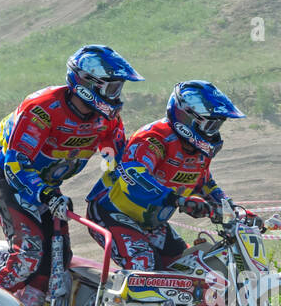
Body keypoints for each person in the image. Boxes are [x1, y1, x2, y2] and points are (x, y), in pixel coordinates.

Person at [0, 45, 143, 306]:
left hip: (50, 190)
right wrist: (44, 193)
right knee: (30, 254)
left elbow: (113, 160)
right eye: (113, 88)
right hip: (12, 181)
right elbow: (16, 163)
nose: (117, 96)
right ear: (87, 85)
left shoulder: (106, 119)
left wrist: (122, 188)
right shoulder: (43, 109)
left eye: (119, 88)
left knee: (57, 262)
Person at [86, 81, 255, 274]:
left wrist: (236, 212)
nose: (213, 132)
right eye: (210, 124)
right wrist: (178, 200)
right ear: (188, 118)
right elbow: (133, 176)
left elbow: (205, 184)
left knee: (188, 271)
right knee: (145, 265)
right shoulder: (154, 138)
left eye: (217, 126)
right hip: (112, 212)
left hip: (151, 223)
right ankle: (118, 304)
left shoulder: (198, 153)